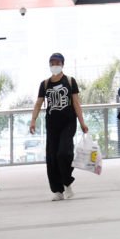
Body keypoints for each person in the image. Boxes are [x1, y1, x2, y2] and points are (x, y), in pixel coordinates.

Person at [29, 53, 88, 200]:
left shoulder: (70, 81)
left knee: (64, 153)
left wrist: (82, 122)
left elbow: (76, 103)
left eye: (57, 63)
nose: (54, 65)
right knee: (52, 157)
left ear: (62, 64)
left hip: (68, 123)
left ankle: (67, 183)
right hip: (52, 125)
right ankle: (57, 190)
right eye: (52, 63)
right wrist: (33, 120)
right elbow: (38, 103)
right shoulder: (45, 84)